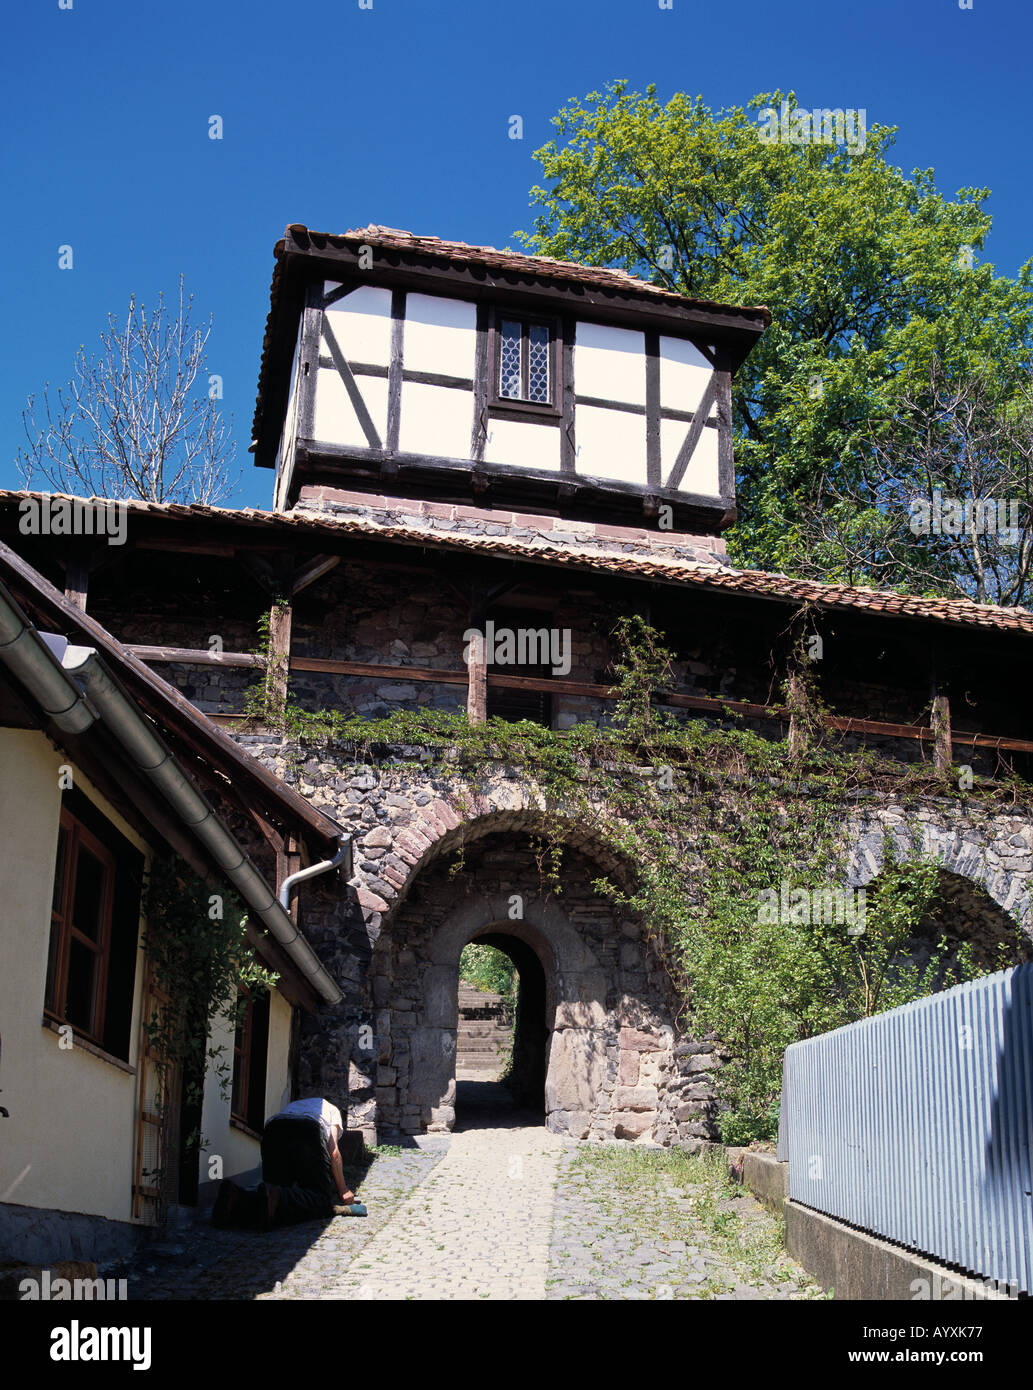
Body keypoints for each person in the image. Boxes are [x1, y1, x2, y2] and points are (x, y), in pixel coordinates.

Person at [211, 1096, 366, 1229]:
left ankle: (237, 1196)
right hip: (307, 1130)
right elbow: (333, 1151)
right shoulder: (333, 1111)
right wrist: (344, 1190)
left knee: (270, 1195)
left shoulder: (295, 1106)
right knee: (319, 1200)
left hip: (273, 1130)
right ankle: (276, 1197)